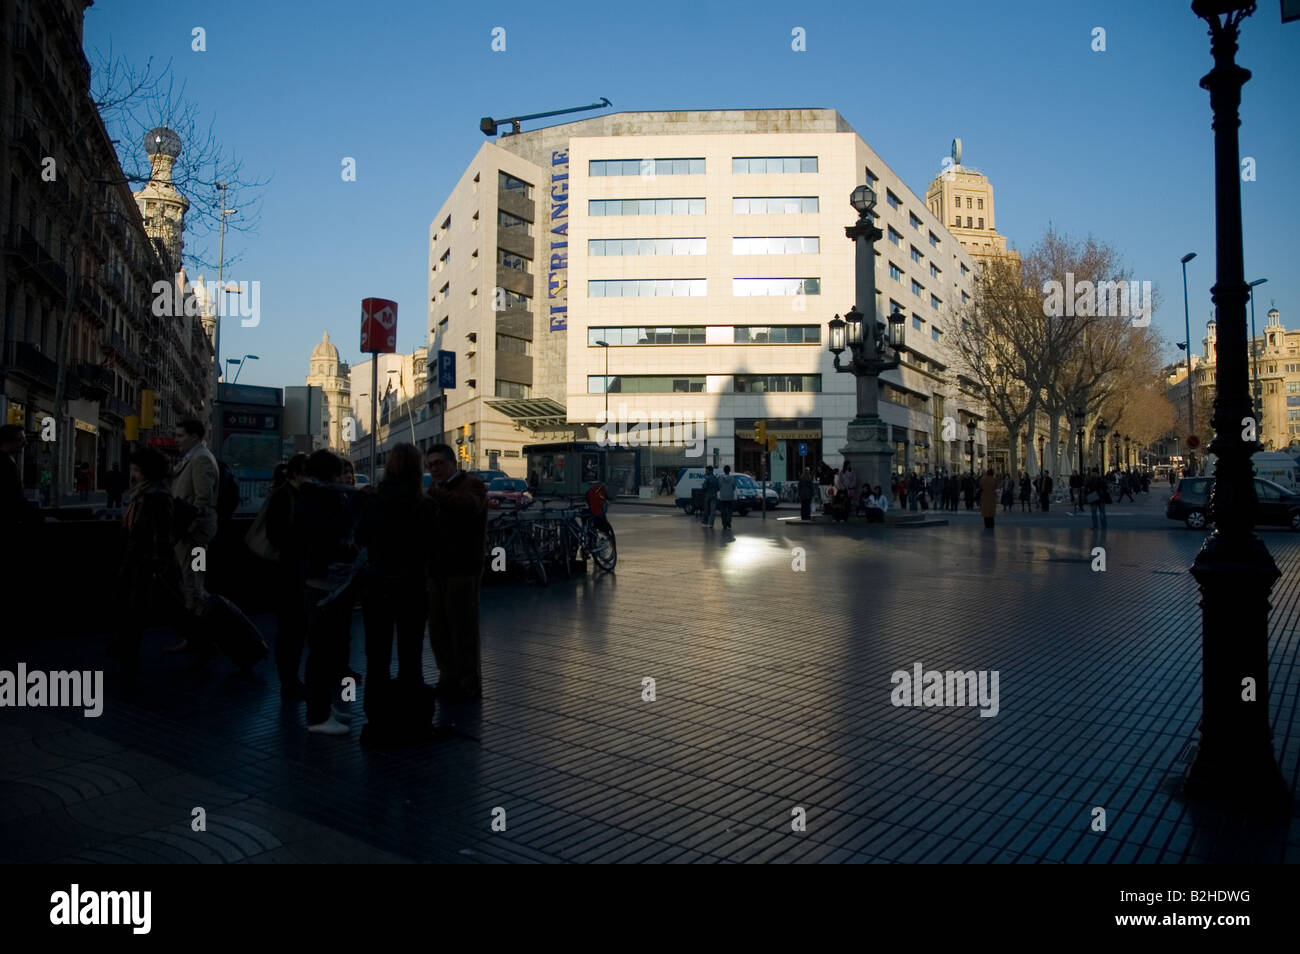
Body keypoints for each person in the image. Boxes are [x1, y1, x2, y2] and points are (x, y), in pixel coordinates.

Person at [357, 443, 435, 697]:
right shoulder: (423, 505)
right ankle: (410, 702)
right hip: (412, 583)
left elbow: (361, 537)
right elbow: (432, 545)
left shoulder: (373, 500)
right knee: (410, 649)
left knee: (377, 651)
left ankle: (376, 704)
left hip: (377, 581)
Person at [295, 450, 365, 734]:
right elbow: (332, 535)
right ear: (333, 474)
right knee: (323, 650)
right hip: (324, 581)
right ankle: (318, 715)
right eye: (341, 473)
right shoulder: (321, 499)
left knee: (336, 647)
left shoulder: (315, 495)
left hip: (330, 581)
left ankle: (335, 706)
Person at [108, 448, 182, 677]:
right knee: (132, 608)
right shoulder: (144, 494)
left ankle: (128, 654)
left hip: (144, 563)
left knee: (137, 610)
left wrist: (156, 564)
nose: (133, 474)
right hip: (135, 561)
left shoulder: (156, 496)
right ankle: (125, 649)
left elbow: (162, 535)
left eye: (136, 470)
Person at [425, 443, 488, 704]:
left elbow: (468, 507)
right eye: (431, 466)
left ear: (453, 462)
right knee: (439, 628)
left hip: (463, 569)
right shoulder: (439, 491)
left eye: (439, 463)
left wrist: (435, 496)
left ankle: (468, 680)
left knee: (463, 628)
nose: (435, 469)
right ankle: (448, 676)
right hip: (438, 569)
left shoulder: (471, 485)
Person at [165, 419, 220, 655]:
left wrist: (188, 529)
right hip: (191, 535)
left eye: (180, 435)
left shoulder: (201, 460)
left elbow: (203, 501)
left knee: (194, 583)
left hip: (195, 536)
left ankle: (198, 638)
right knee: (192, 581)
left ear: (195, 437)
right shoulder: (195, 458)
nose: (176, 440)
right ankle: (196, 637)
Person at [264, 453, 310, 697]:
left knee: (293, 629)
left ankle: (290, 677)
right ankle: (288, 679)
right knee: (290, 629)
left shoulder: (293, 494)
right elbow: (277, 534)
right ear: (297, 473)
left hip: (292, 571)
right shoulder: (285, 496)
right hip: (287, 571)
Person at [715, 464, 736, 530]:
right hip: (730, 496)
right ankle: (728, 521)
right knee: (729, 511)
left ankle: (724, 523)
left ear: (724, 470)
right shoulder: (732, 478)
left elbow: (718, 487)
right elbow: (733, 487)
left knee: (723, 511)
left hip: (723, 497)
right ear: (729, 470)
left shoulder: (720, 478)